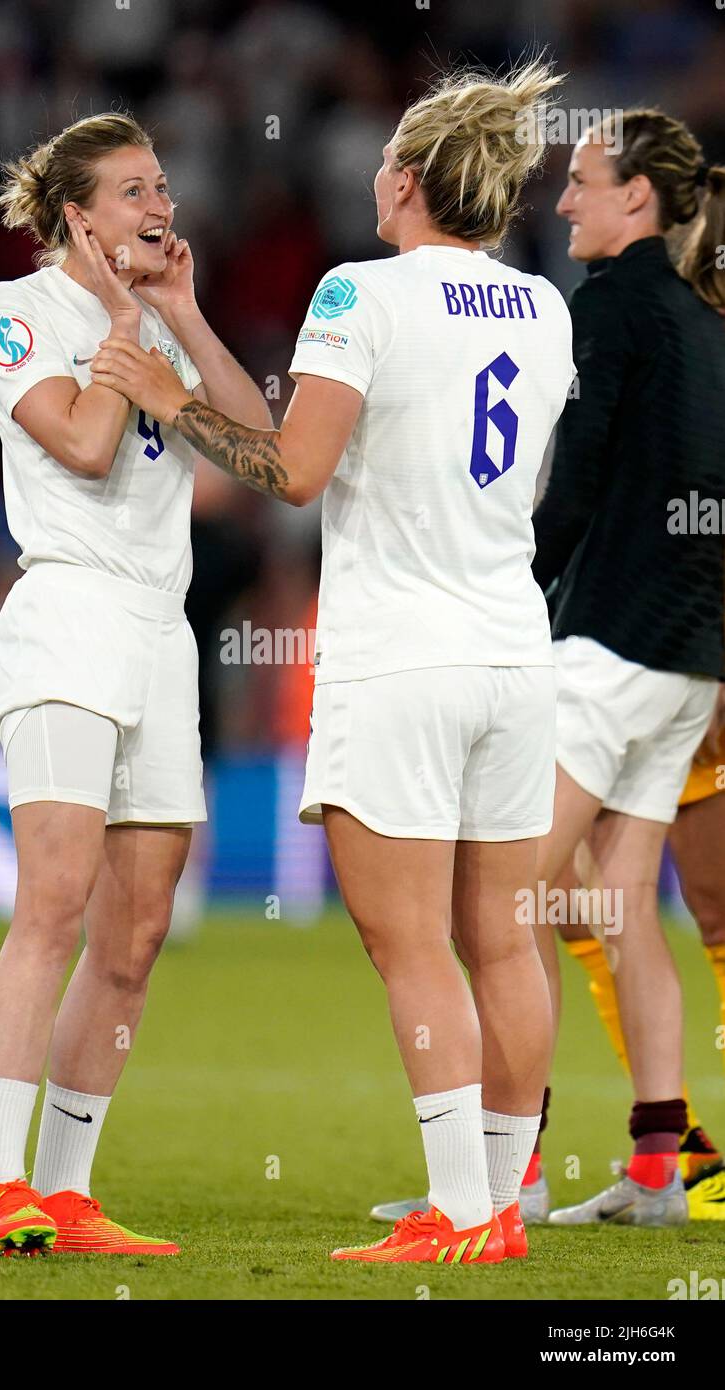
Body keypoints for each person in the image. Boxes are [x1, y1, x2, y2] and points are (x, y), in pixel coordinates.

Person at [87, 60, 575, 1264]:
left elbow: (292, 471)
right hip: (514, 653)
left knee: (406, 946)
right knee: (501, 939)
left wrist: (164, 391)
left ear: (404, 178)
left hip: (399, 658)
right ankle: (496, 1199)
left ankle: (461, 1211)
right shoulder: (543, 306)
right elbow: (307, 434)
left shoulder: (360, 293)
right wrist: (193, 325)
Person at [370, 109, 725, 1231]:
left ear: (638, 200)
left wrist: (507, 581)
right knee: (617, 902)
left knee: (503, 907)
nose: (562, 202)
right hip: (686, 661)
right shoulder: (708, 324)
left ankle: (499, 1178)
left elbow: (565, 492)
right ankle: (659, 1168)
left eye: (581, 182)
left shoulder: (609, 309)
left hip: (604, 646)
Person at [0, 112, 271, 1256]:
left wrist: (180, 316)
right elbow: (87, 446)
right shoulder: (16, 312)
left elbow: (263, 456)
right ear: (78, 215)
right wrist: (119, 320)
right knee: (51, 904)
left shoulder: (164, 322)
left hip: (162, 632)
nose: (162, 205)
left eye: (165, 185)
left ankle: (66, 1191)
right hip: (68, 616)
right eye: (136, 188)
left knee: (135, 932)